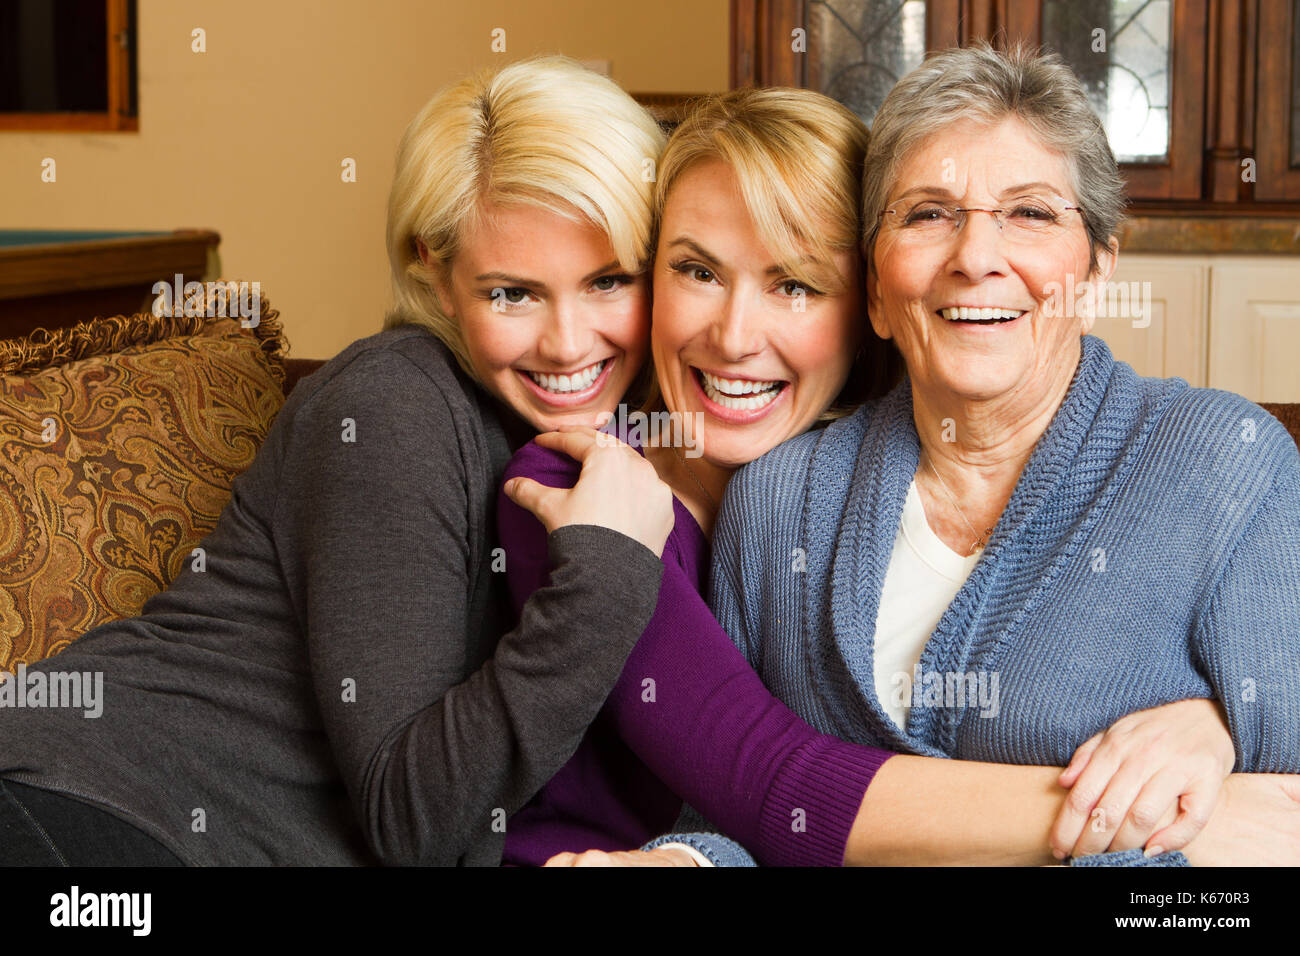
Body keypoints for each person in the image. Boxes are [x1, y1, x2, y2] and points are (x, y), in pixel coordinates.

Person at [497, 83, 1258, 868]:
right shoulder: (586, 488)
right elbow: (754, 780)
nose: (733, 337)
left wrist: (1216, 725)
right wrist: (1136, 814)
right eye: (697, 271)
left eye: (795, 283)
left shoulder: (1216, 462)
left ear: (870, 304)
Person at [0, 55, 674, 866]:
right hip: (86, 808)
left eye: (608, 281)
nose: (569, 342)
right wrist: (607, 574)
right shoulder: (391, 402)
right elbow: (414, 823)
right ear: (433, 265)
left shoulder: (633, 434)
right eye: (513, 293)